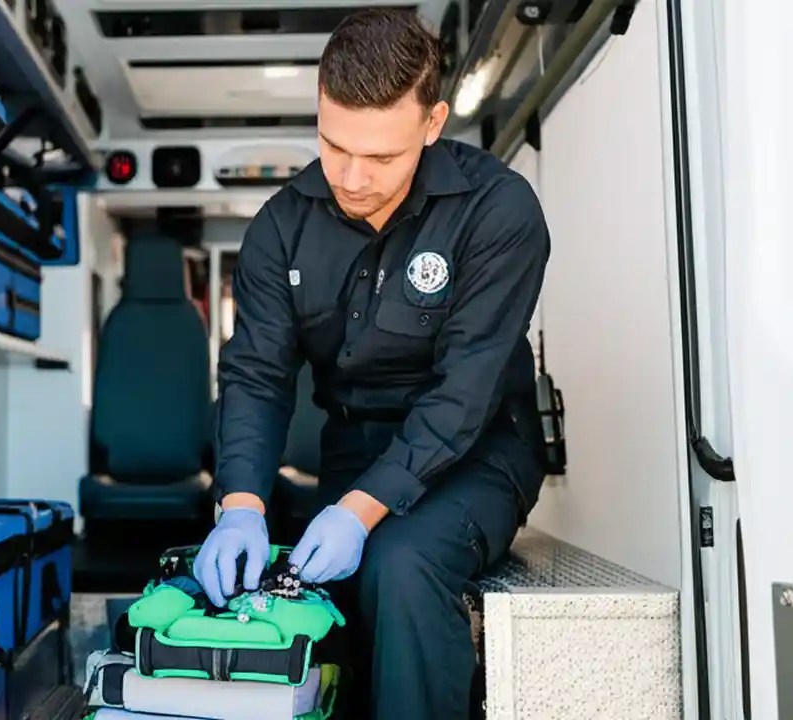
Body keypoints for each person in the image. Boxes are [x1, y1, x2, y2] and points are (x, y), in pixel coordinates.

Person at [193, 7, 550, 718]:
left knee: (400, 565)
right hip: (354, 450)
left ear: (433, 122)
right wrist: (240, 507)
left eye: (381, 158)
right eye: (334, 146)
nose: (352, 178)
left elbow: (465, 393)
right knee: (302, 596)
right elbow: (257, 377)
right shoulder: (279, 229)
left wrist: (358, 514)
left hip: (477, 454)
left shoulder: (498, 213)